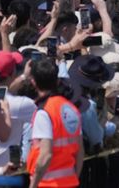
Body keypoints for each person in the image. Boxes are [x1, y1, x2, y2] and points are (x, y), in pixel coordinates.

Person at [27, 58, 83, 188]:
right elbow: (80, 151)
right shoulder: (71, 109)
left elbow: (45, 155)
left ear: (33, 83)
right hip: (70, 182)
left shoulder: (44, 112)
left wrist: (33, 185)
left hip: (46, 184)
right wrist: (74, 179)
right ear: (57, 81)